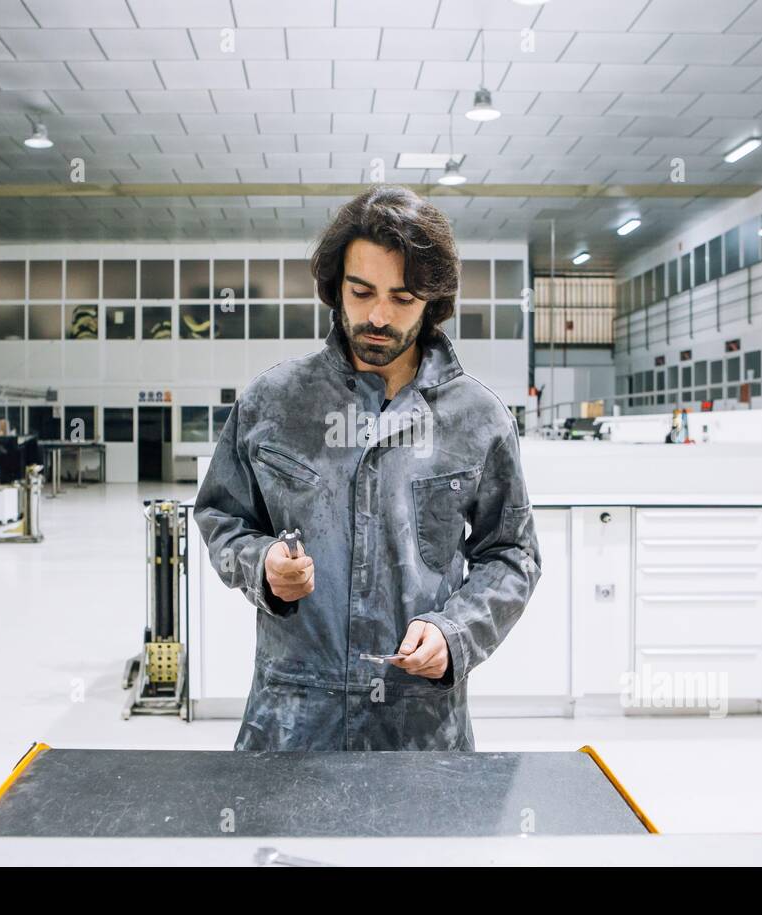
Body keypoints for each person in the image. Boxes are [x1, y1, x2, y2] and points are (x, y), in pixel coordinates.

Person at [195, 184, 541, 751]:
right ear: (336, 290)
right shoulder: (273, 404)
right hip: (292, 720)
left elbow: (513, 555)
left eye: (402, 299)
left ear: (432, 303)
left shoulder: (478, 420)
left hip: (419, 728)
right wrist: (262, 566)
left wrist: (455, 633)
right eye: (361, 292)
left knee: (421, 846)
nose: (378, 316)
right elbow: (221, 517)